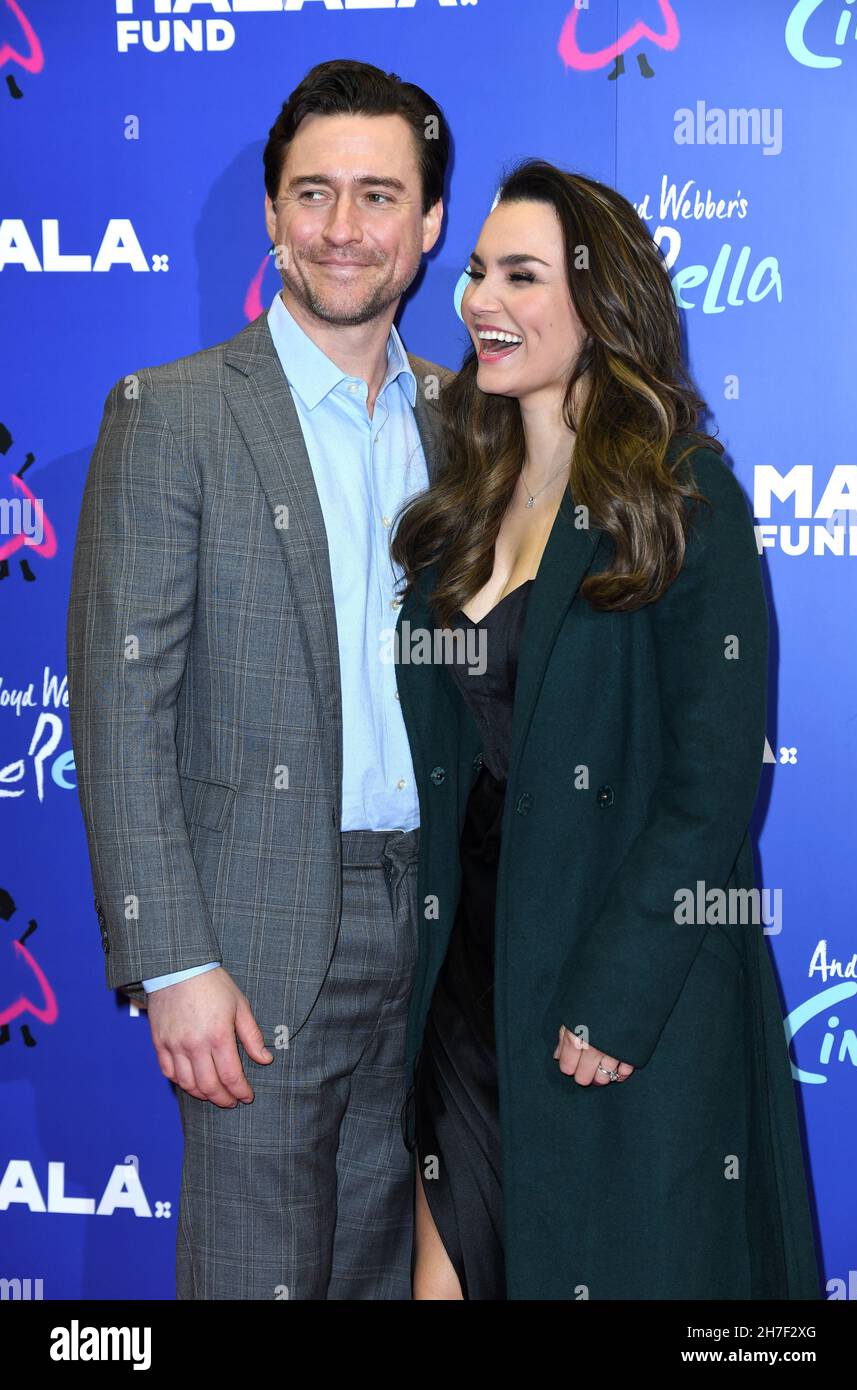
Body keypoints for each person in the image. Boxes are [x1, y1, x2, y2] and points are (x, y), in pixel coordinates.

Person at [390, 160, 822, 1301]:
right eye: (476, 270)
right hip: (463, 980)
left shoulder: (680, 495)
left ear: (601, 301)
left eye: (519, 275)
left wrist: (617, 988)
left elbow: (713, 775)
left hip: (612, 975)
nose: (480, 297)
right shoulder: (463, 499)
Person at [66, 59, 453, 1300]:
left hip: (439, 936)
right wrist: (171, 959)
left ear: (429, 224)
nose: (345, 230)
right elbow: (121, 706)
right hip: (252, 937)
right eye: (314, 194)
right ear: (273, 217)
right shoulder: (170, 415)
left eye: (378, 195)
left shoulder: (468, 424)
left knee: (381, 1278)